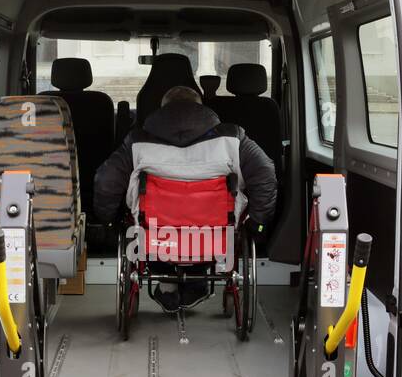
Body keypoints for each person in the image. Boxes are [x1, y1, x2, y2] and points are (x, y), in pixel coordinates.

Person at [93, 85, 277, 313]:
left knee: (141, 221)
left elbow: (105, 181)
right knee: (218, 227)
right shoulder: (233, 138)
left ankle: (168, 284)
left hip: (156, 236)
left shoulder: (137, 141)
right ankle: (197, 281)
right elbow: (266, 176)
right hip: (214, 236)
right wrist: (257, 222)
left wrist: (110, 221)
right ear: (201, 109)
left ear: (162, 111)